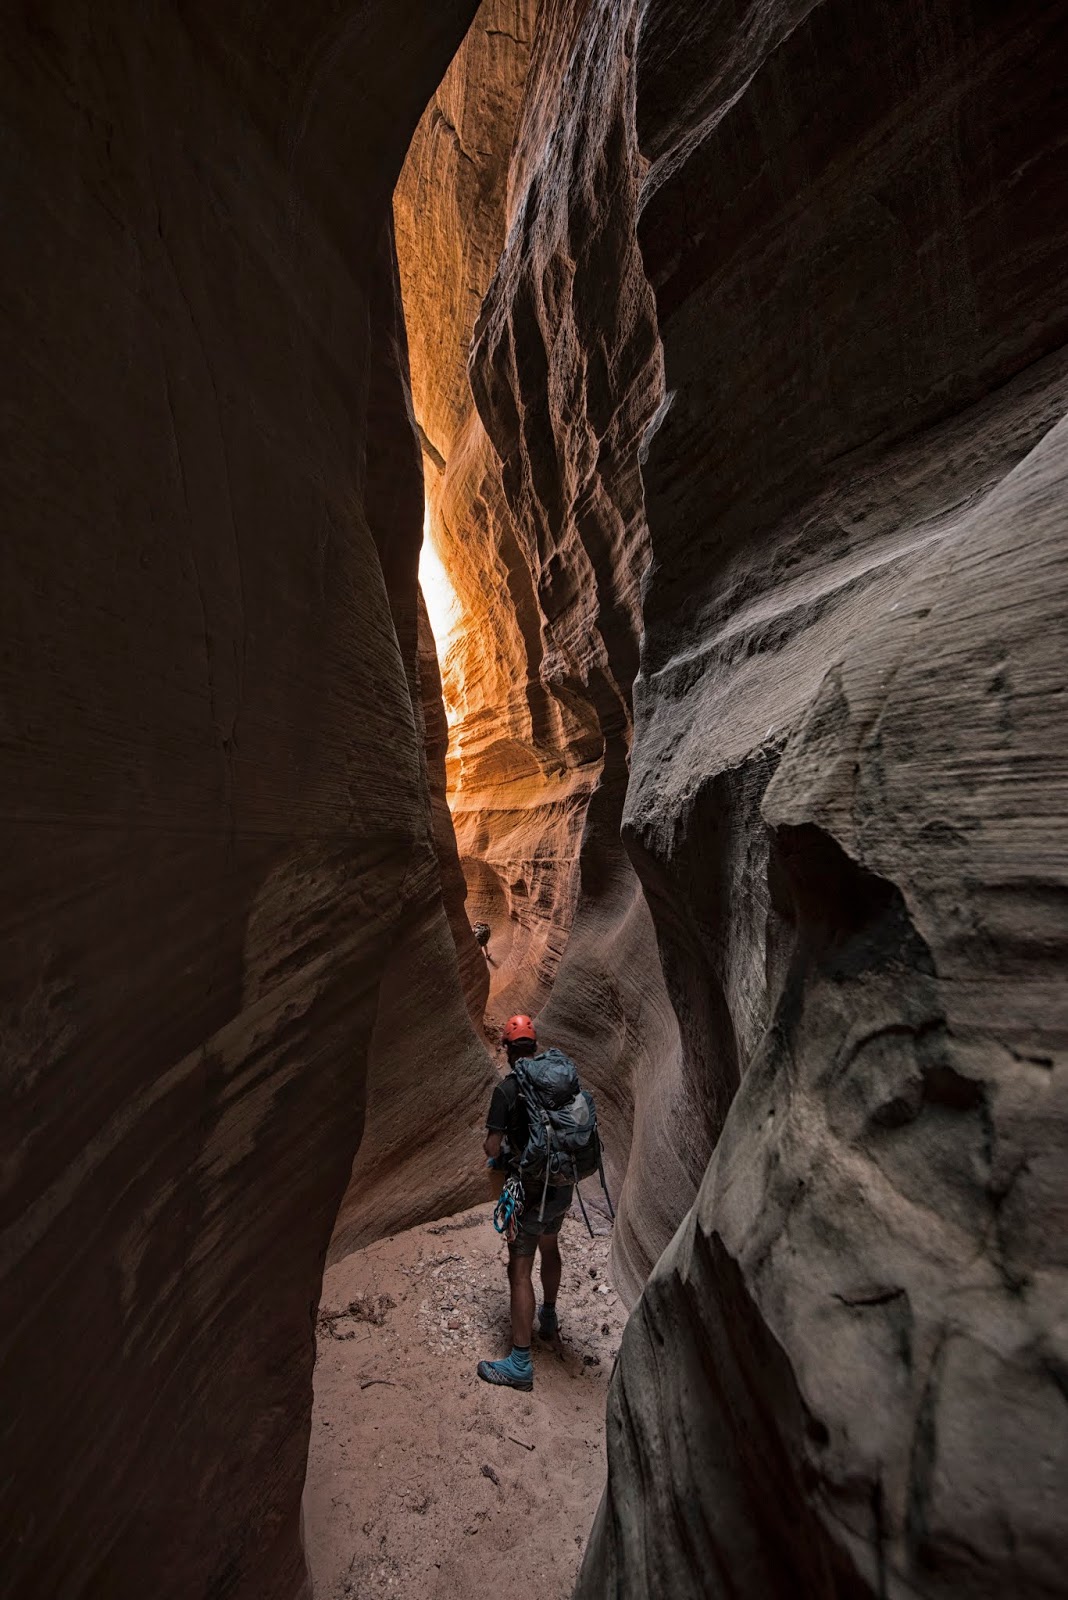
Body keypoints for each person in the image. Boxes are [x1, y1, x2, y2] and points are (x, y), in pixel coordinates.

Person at [476, 1013, 572, 1392]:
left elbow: (492, 1146)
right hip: (561, 1185)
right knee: (551, 1246)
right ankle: (548, 1318)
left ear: (507, 1050)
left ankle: (519, 1363)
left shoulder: (507, 1090)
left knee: (519, 1269)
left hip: (529, 1190)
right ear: (535, 1046)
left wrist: (494, 1151)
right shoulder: (558, 1080)